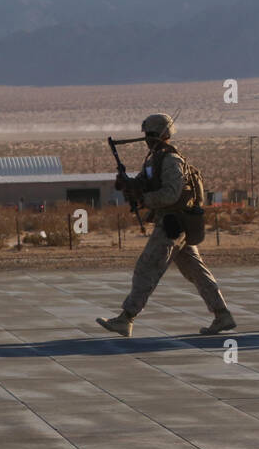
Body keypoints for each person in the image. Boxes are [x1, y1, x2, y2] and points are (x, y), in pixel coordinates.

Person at [97, 114, 235, 338]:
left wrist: (145, 199)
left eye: (149, 135)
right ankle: (222, 315)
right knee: (196, 272)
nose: (146, 139)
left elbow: (172, 193)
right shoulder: (154, 159)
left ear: (158, 134)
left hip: (174, 223)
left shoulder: (171, 160)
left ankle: (126, 318)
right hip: (172, 223)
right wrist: (128, 184)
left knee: (147, 267)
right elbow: (144, 183)